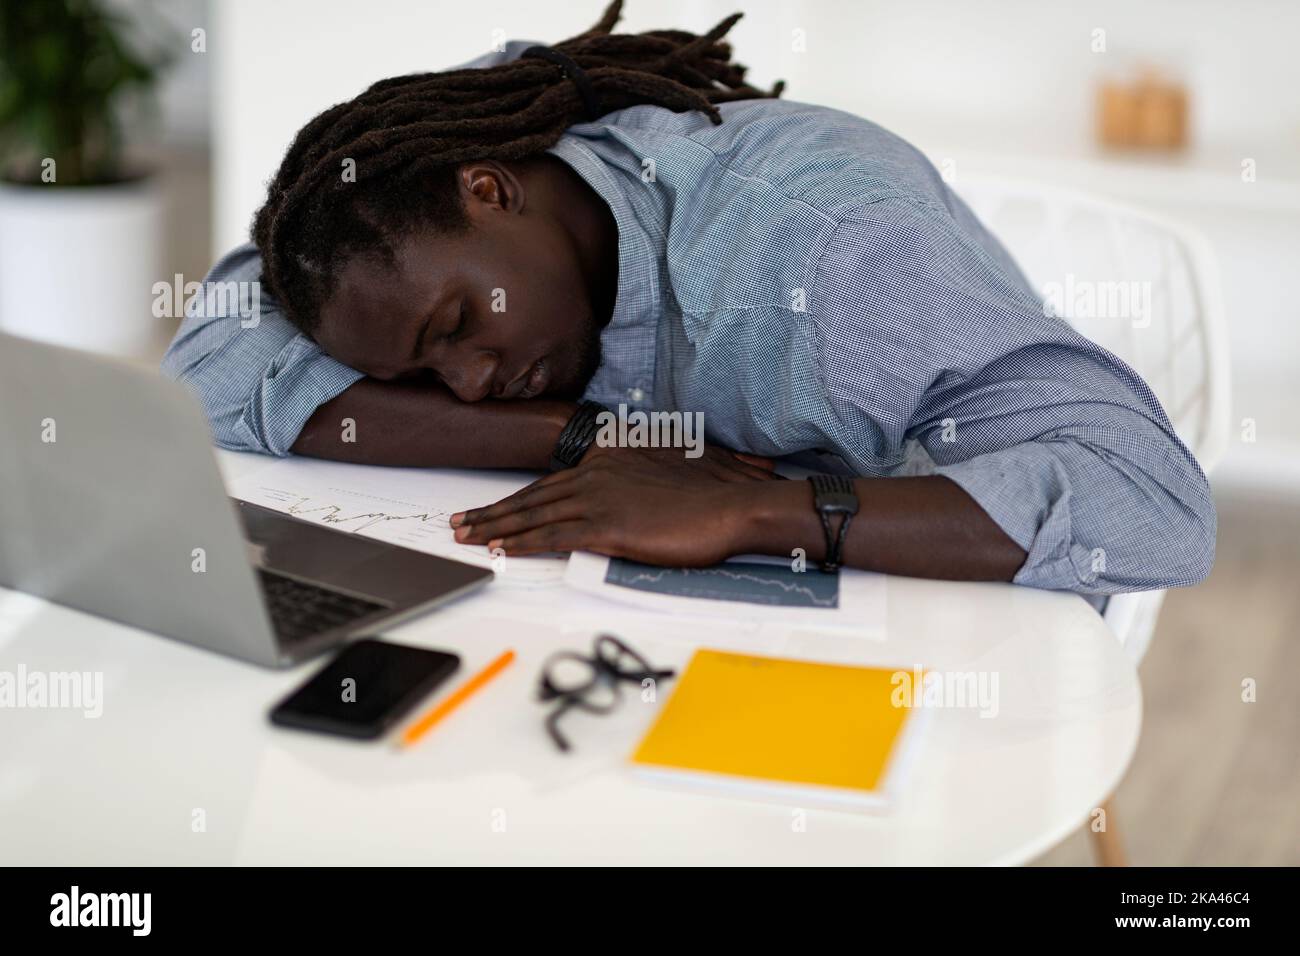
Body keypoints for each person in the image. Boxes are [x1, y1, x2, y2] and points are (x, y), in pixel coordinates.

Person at [163, 1, 1215, 597]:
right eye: (425, 375)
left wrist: (756, 505)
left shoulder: (828, 253)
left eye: (457, 328)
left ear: (492, 188)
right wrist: (583, 441)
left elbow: (1155, 506)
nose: (470, 384)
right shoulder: (448, 157)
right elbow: (211, 363)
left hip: (945, 634)